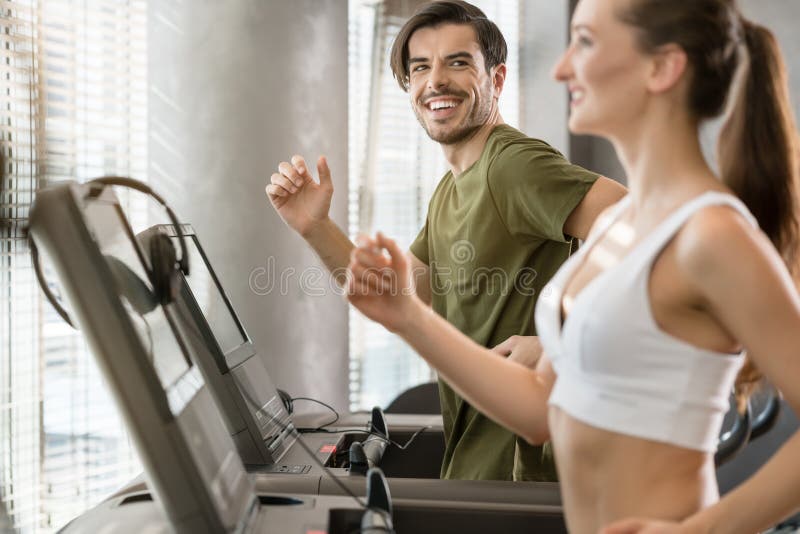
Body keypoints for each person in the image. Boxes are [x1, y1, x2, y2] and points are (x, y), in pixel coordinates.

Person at [346, 0, 800, 531]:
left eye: (584, 41)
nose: (561, 68)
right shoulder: (617, 228)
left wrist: (702, 531)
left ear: (662, 67)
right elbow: (540, 413)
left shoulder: (709, 234)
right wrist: (407, 317)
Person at [266, 1, 626, 482]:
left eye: (458, 62)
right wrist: (315, 226)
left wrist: (564, 344)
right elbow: (399, 297)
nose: (435, 80)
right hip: (474, 457)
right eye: (420, 67)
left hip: (523, 473)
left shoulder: (512, 165)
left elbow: (647, 230)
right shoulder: (451, 189)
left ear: (495, 80)